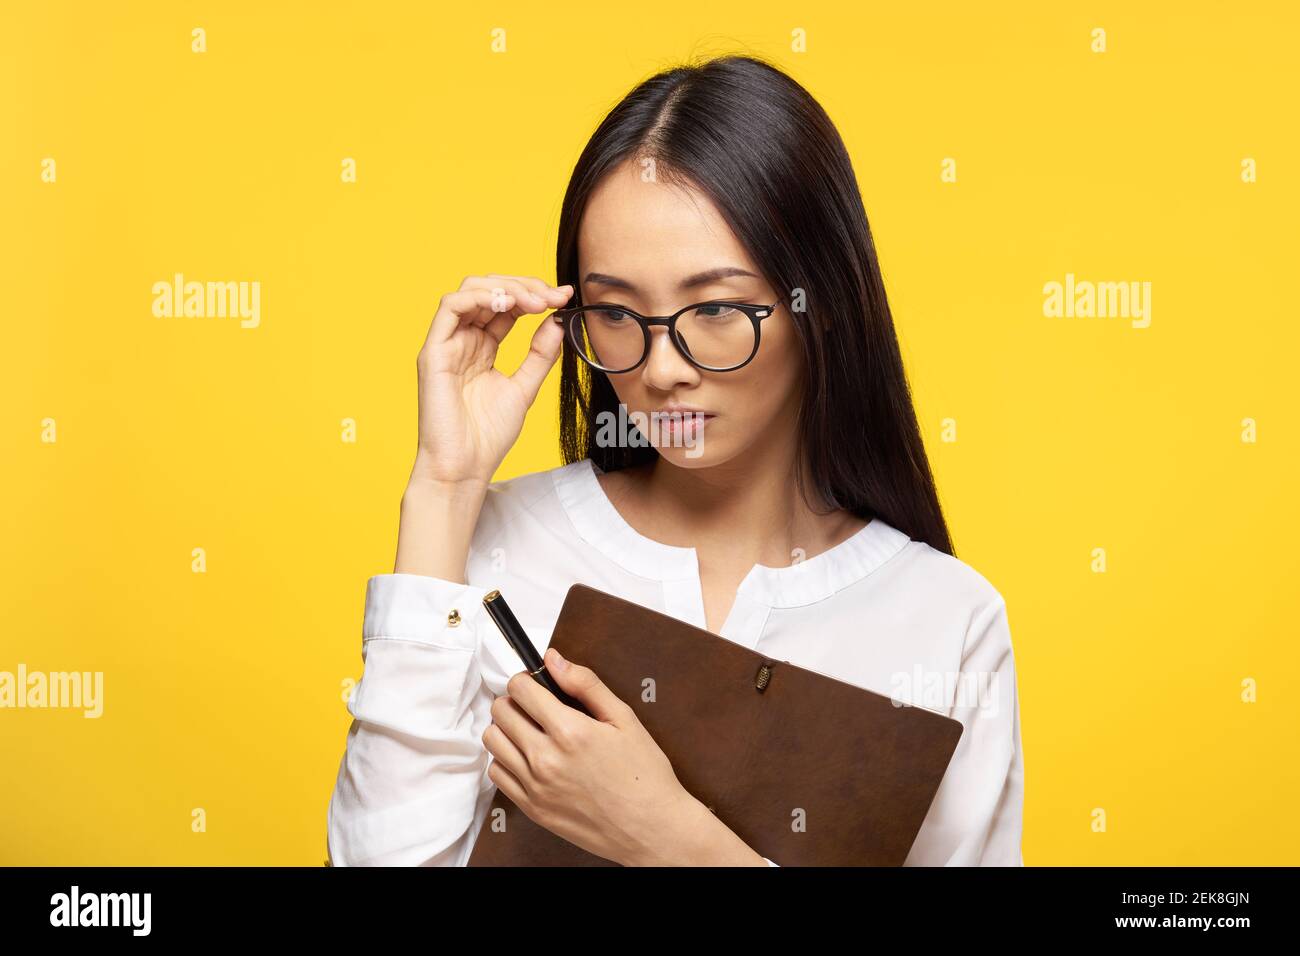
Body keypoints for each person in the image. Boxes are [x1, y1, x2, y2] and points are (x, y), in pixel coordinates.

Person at [326, 53, 1024, 867]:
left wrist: (666, 837)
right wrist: (443, 492)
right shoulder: (489, 553)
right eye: (617, 312)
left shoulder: (947, 619)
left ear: (821, 303)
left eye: (718, 307)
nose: (660, 369)